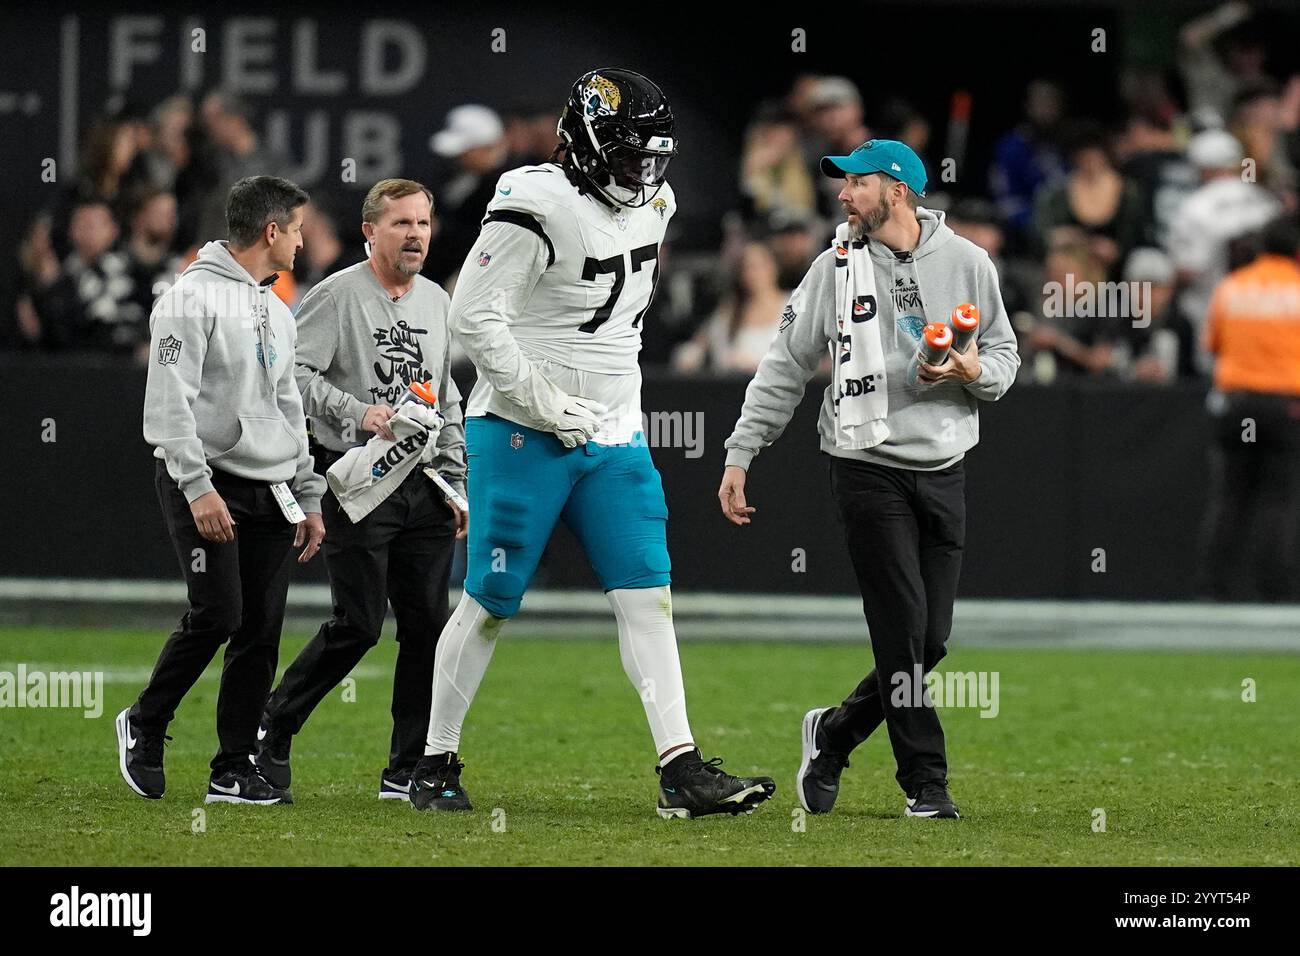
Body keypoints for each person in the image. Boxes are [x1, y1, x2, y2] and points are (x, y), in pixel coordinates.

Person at [411, 68, 776, 819]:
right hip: (519, 429)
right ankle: (433, 761)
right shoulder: (532, 200)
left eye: (651, 156)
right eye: (627, 153)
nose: (642, 173)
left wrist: (605, 411)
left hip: (613, 431)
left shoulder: (660, 201)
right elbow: (473, 319)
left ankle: (680, 769)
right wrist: (547, 404)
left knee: (648, 593)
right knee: (492, 598)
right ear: (581, 140)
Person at [719, 140, 1020, 820]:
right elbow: (785, 365)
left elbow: (1003, 357)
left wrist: (973, 373)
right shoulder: (834, 267)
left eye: (855, 183)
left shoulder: (971, 264)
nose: (842, 195)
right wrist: (742, 452)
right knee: (902, 630)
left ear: (898, 188)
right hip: (865, 465)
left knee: (930, 639)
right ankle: (927, 782)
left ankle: (833, 734)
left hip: (944, 468)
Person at [116, 176, 326, 805]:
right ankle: (146, 723)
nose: (301, 239)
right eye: (295, 227)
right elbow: (167, 403)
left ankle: (232, 768)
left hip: (269, 486)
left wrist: (307, 492)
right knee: (219, 613)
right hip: (204, 480)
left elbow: (290, 408)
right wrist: (196, 486)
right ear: (271, 231)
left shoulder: (277, 307)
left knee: (261, 628)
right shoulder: (189, 298)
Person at [256, 179, 467, 802]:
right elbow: (291, 373)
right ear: (369, 231)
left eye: (423, 224)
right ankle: (276, 720)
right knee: (359, 623)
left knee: (429, 624)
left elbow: (445, 391)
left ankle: (407, 768)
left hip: (423, 481)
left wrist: (456, 480)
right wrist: (358, 412)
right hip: (355, 479)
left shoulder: (435, 302)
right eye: (401, 224)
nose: (416, 236)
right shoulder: (336, 296)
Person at [1198, 215, 1300, 602]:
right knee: (1280, 499)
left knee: (1229, 497)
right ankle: (1274, 593)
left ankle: (1212, 589)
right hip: (1285, 405)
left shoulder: (1232, 286)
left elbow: (1212, 345)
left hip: (1236, 404)